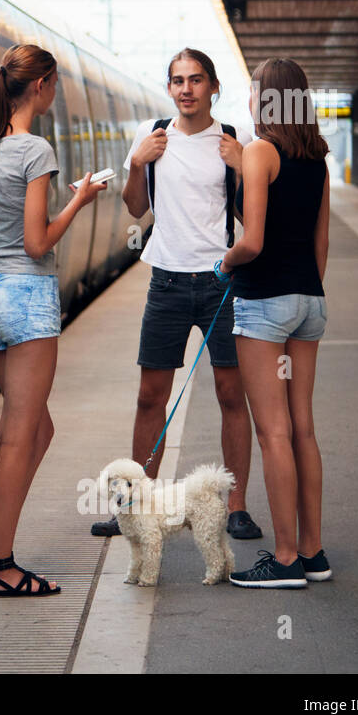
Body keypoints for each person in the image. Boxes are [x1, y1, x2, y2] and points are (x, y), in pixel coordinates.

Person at [91, 48, 262, 540]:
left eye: (196, 80)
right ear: (169, 88)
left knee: (232, 394)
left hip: (222, 282)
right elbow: (135, 210)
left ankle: (236, 507)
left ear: (213, 87)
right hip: (164, 280)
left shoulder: (235, 139)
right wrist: (135, 166)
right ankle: (135, 506)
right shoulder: (152, 135)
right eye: (177, 80)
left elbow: (254, 220)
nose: (186, 89)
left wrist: (242, 167)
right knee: (150, 397)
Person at [0, 44, 106, 596]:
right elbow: (37, 240)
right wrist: (80, 201)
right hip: (27, 295)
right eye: (55, 84)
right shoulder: (35, 150)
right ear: (41, 85)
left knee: (35, 428)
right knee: (20, 437)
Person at [217, 58, 331, 588]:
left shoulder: (261, 152)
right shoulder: (319, 159)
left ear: (264, 98)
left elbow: (253, 241)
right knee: (302, 427)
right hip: (309, 300)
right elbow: (319, 245)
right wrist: (302, 288)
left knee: (274, 431)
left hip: (265, 304)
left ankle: (283, 560)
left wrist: (227, 262)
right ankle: (312, 552)